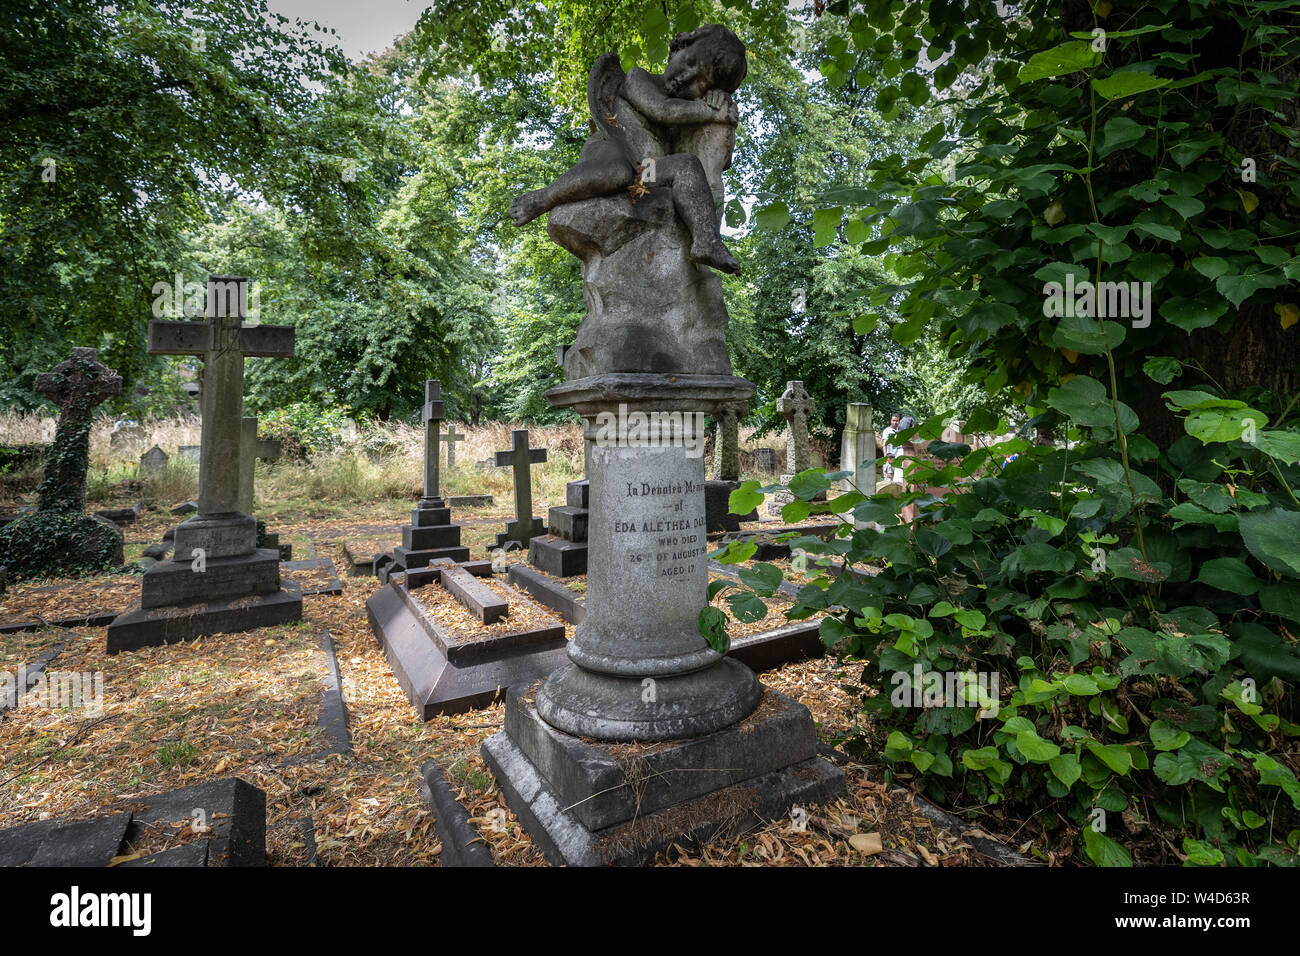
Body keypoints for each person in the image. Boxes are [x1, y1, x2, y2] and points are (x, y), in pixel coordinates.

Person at [508, 25, 746, 275]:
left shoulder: (686, 117)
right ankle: (542, 198)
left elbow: (704, 153)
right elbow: (662, 110)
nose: (687, 77)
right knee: (616, 171)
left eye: (701, 83)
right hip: (614, 147)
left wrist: (719, 108)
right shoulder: (637, 78)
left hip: (647, 172)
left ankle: (707, 240)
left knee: (686, 165)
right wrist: (710, 111)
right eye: (690, 62)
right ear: (678, 48)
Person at [881, 412, 903, 483]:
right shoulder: (887, 431)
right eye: (893, 420)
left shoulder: (901, 431)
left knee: (898, 477)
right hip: (890, 456)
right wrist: (885, 457)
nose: (895, 422)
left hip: (898, 458)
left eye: (897, 421)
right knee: (889, 476)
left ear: (899, 421)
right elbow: (884, 444)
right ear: (891, 421)